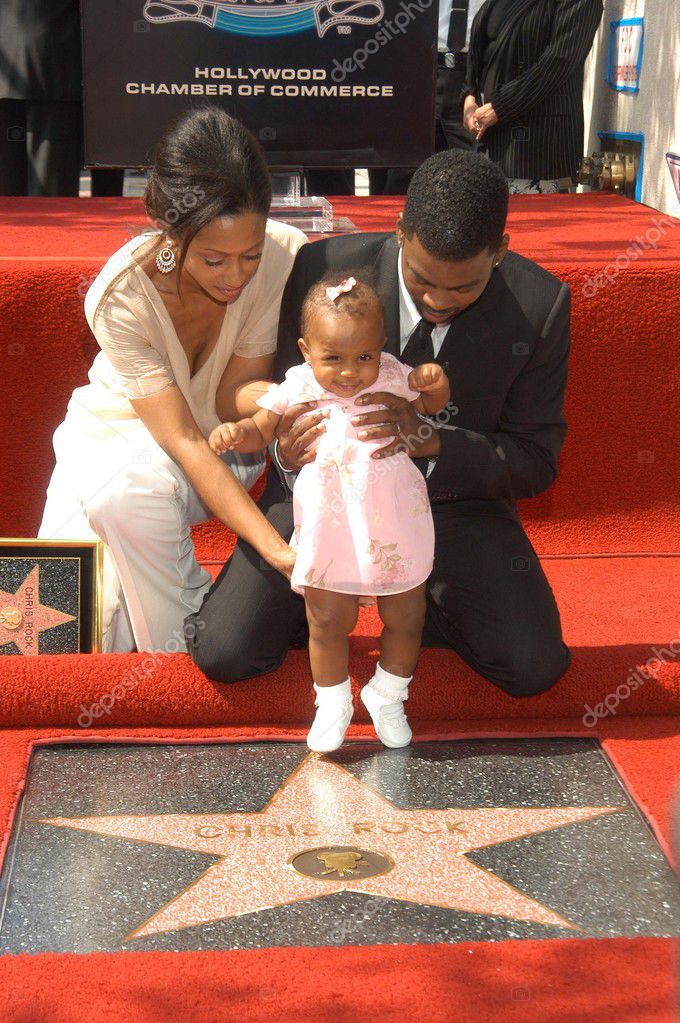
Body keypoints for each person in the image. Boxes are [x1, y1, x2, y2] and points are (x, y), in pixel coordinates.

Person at [186, 148, 574, 706]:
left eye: (464, 288)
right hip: (318, 497)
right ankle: (330, 608)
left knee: (533, 667)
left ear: (500, 253)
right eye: (421, 280)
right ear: (398, 231)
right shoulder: (324, 270)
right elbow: (280, 392)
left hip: (453, 505)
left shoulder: (539, 305)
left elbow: (536, 461)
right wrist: (286, 453)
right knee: (226, 652)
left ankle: (424, 601)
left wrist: (433, 441)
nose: (439, 301)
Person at [38, 105, 306, 652]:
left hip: (231, 445)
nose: (236, 277)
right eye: (213, 260)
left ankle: (183, 649)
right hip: (111, 436)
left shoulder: (283, 255)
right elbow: (179, 438)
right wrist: (277, 551)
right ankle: (191, 629)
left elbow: (235, 398)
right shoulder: (120, 297)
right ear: (166, 225)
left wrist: (289, 401)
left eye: (248, 256)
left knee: (126, 498)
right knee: (61, 629)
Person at [208, 274, 450, 751]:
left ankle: (388, 692)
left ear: (380, 347)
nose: (349, 372)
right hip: (330, 523)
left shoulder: (391, 374)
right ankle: (333, 699)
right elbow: (264, 426)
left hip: (395, 522)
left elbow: (430, 405)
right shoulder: (297, 384)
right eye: (332, 358)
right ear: (304, 350)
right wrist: (240, 434)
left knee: (407, 613)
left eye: (362, 357)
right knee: (326, 619)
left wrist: (434, 384)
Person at [462, 0, 604, 194]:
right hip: (490, 143)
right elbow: (484, 48)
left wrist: (499, 106)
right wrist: (470, 96)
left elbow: (558, 62)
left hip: (538, 148)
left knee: (529, 223)